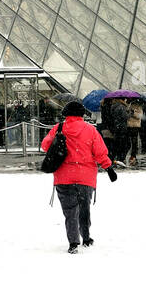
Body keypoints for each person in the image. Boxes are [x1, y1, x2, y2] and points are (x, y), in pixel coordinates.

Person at [41, 100, 116, 254]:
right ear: (82, 114)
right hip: (85, 176)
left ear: (66, 114)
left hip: (64, 176)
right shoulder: (90, 130)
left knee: (70, 211)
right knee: (84, 207)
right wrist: (108, 168)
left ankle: (73, 242)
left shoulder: (58, 128)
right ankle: (86, 237)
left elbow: (45, 146)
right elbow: (100, 152)